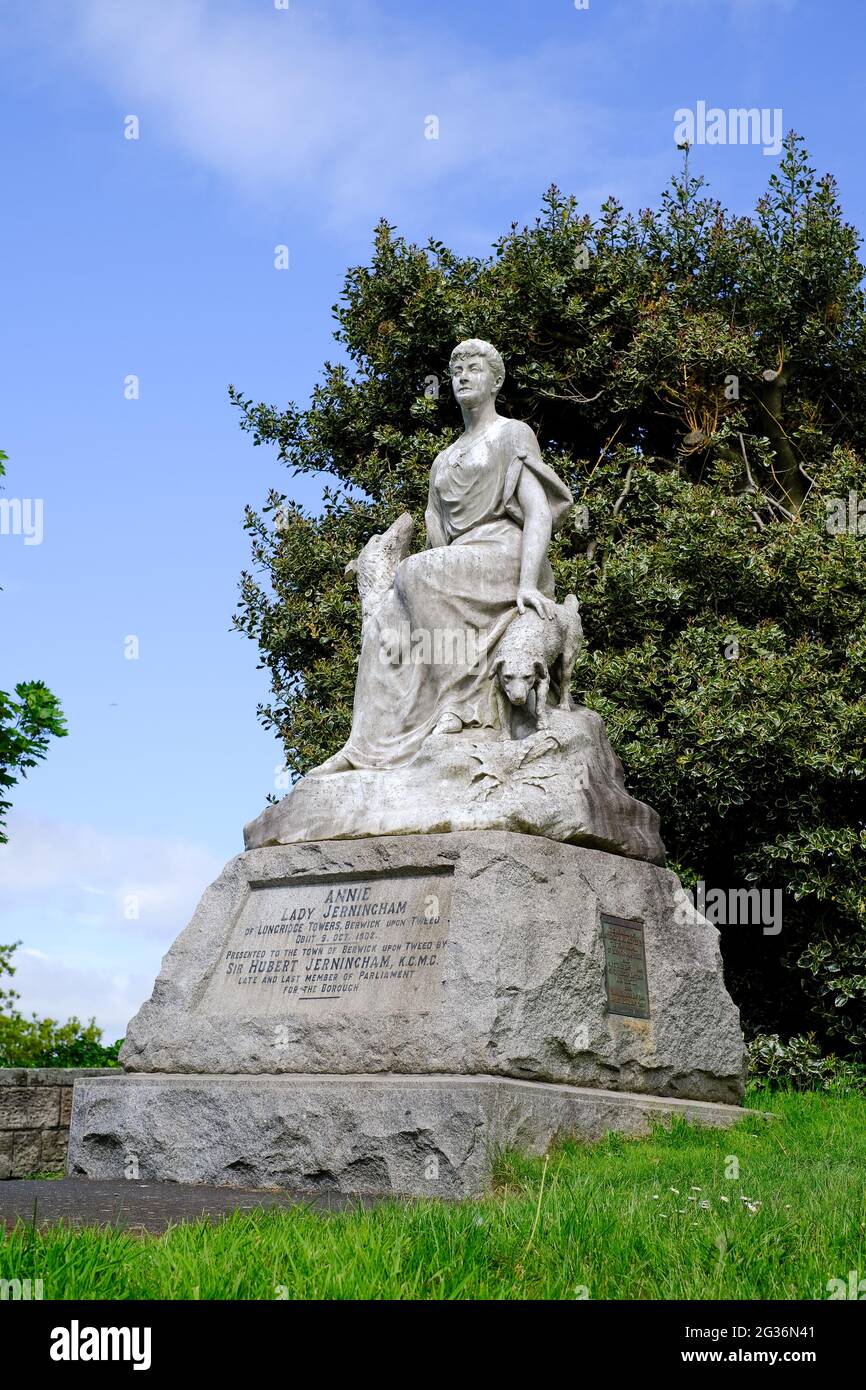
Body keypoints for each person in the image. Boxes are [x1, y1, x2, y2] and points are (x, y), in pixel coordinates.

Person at [314, 339, 573, 773]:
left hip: (504, 555)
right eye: (457, 372)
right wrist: (425, 594)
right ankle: (366, 746)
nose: (463, 377)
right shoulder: (443, 459)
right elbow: (439, 537)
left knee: (413, 572)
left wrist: (528, 583)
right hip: (458, 566)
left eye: (474, 368)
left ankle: (460, 704)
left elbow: (538, 513)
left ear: (496, 380)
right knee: (384, 618)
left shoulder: (512, 434)